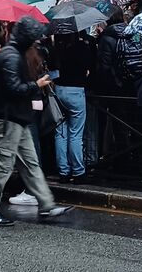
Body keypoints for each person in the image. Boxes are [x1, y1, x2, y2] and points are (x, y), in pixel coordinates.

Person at [0, 16, 73, 226]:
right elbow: (14, 89)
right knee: (2, 166)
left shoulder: (14, 53)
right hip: (8, 120)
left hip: (16, 119)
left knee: (30, 164)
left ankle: (47, 205)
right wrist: (36, 85)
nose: (36, 42)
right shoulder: (12, 56)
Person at [52, 32, 92, 184]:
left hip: (59, 89)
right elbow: (88, 67)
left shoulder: (57, 47)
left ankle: (63, 171)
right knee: (75, 133)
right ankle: (78, 171)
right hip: (76, 89)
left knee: (60, 132)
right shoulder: (82, 47)